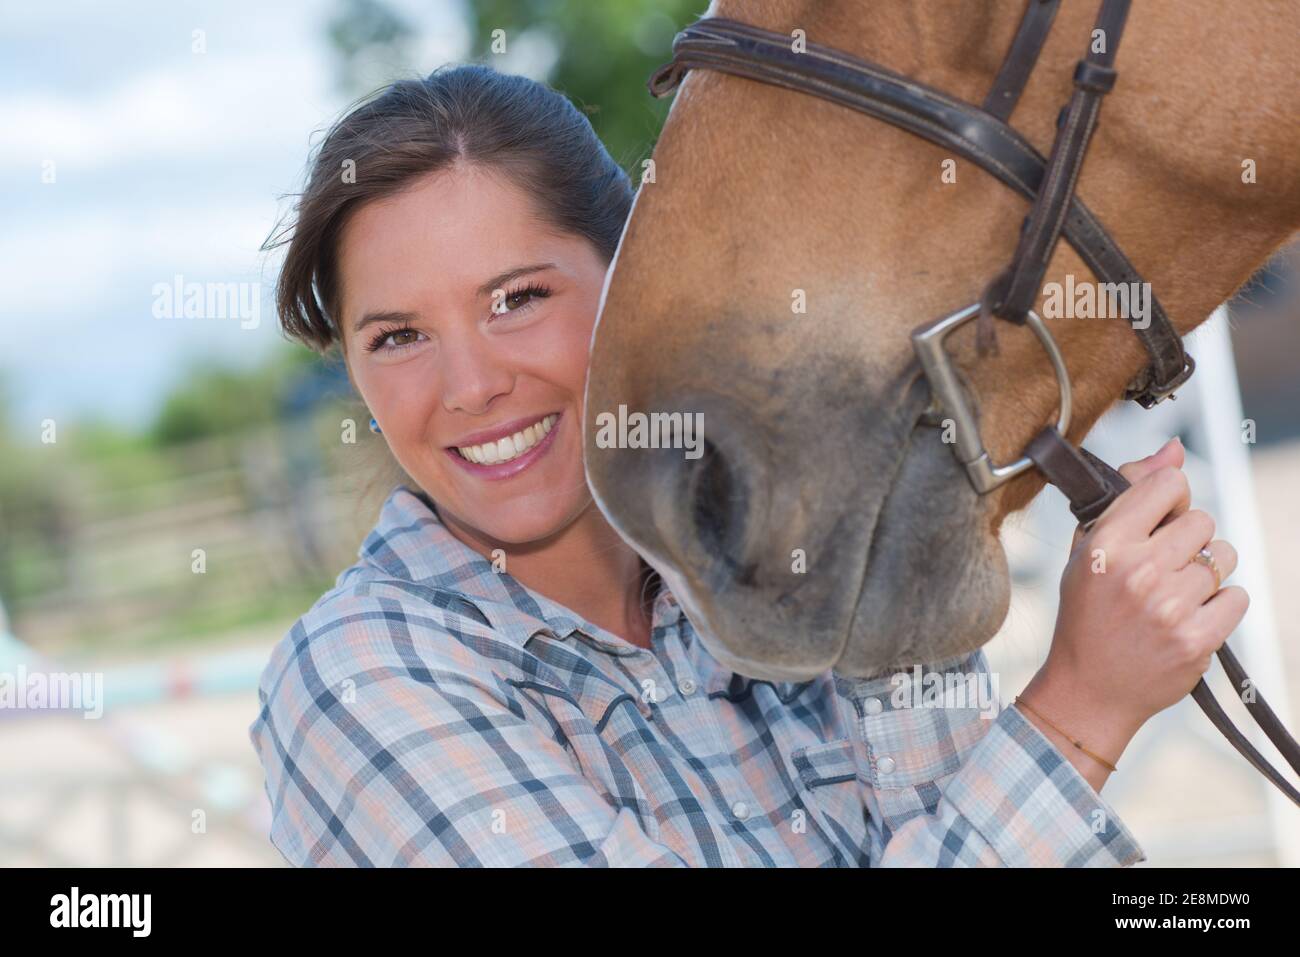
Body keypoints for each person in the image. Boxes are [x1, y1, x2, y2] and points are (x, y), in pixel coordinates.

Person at [249, 64, 1246, 867]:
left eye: (516, 298)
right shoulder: (360, 684)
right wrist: (1082, 706)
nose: (468, 385)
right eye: (397, 337)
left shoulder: (813, 537)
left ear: (635, 276)